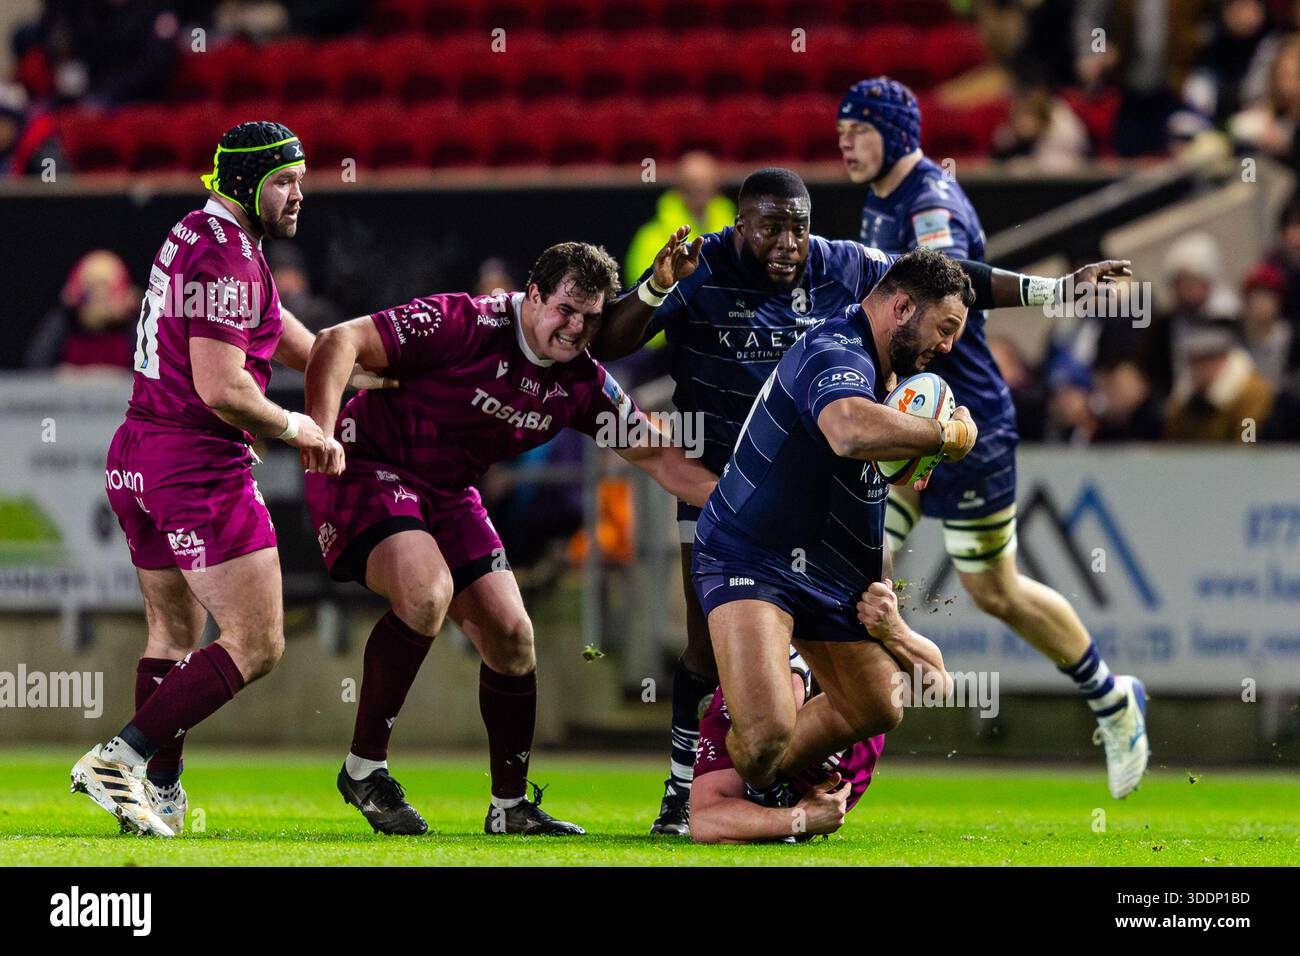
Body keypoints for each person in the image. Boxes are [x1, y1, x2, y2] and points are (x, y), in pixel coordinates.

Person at [591, 165, 1132, 831]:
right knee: (706, 653)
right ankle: (693, 793)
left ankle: (765, 773)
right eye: (772, 229)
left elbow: (945, 277)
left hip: (819, 491)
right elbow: (610, 343)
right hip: (726, 484)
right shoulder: (707, 272)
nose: (790, 242)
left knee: (869, 698)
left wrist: (1052, 291)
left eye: (800, 227)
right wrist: (946, 435)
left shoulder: (847, 268)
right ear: (740, 228)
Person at [302, 242, 716, 836]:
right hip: (367, 466)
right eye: (566, 310)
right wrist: (318, 434)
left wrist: (743, 503)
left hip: (446, 493)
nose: (576, 329)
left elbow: (655, 455)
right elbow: (336, 341)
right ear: (534, 295)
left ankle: (510, 808)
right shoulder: (465, 323)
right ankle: (364, 768)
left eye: (591, 317)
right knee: (425, 593)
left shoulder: (581, 380)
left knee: (514, 638)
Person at [839, 77, 1150, 799]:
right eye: (840, 133)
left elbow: (957, 281)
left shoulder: (926, 199)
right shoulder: (882, 197)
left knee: (993, 589)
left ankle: (1111, 697)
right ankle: (834, 744)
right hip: (906, 415)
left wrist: (1048, 290)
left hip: (963, 419)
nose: (846, 143)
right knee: (859, 565)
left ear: (896, 131)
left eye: (858, 129)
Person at [69, 121, 373, 837]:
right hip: (195, 464)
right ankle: (122, 759)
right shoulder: (228, 258)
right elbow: (223, 387)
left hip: (138, 453)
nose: (300, 195)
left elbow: (291, 338)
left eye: (301, 178)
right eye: (283, 181)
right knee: (257, 641)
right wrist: (301, 427)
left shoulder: (204, 234)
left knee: (174, 633)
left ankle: (158, 794)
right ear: (244, 183)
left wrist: (372, 366)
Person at [691, 249, 968, 802]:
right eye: (945, 328)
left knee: (879, 703)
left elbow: (860, 475)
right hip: (748, 556)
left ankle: (757, 784)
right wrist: (946, 436)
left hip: (824, 567)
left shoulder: (892, 380)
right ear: (903, 307)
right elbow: (846, 430)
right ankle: (723, 781)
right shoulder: (833, 348)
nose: (948, 346)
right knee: (767, 732)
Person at [690, 650, 884, 845]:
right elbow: (706, 821)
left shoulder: (858, 694)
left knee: (884, 704)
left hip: (852, 733)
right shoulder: (732, 707)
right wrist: (799, 820)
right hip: (747, 740)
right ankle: (687, 783)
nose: (769, 706)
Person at [623, 151, 735, 289]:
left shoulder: (736, 232)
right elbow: (642, 290)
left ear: (717, 187)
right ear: (679, 187)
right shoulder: (650, 237)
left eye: (706, 184)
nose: (699, 190)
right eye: (692, 184)